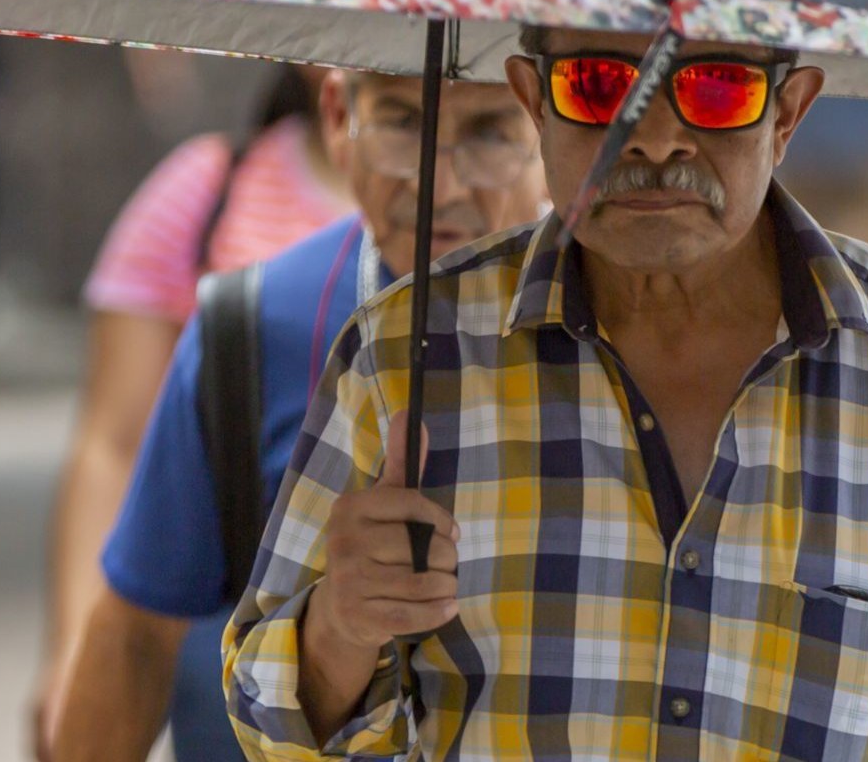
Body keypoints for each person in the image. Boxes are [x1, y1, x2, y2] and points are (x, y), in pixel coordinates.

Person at [226, 26, 868, 760]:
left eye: (716, 88)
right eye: (600, 86)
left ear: (788, 113)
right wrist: (340, 628)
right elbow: (267, 722)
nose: (655, 138)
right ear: (534, 100)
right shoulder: (403, 356)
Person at [50, 71, 546, 762]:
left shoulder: (628, 322)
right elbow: (135, 639)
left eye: (489, 133)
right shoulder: (255, 328)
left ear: (550, 126)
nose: (441, 186)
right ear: (339, 118)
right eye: (402, 123)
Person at [35, 64, 353, 757]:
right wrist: (76, 646)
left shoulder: (523, 223)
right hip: (221, 622)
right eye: (396, 118)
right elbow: (113, 440)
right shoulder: (207, 191)